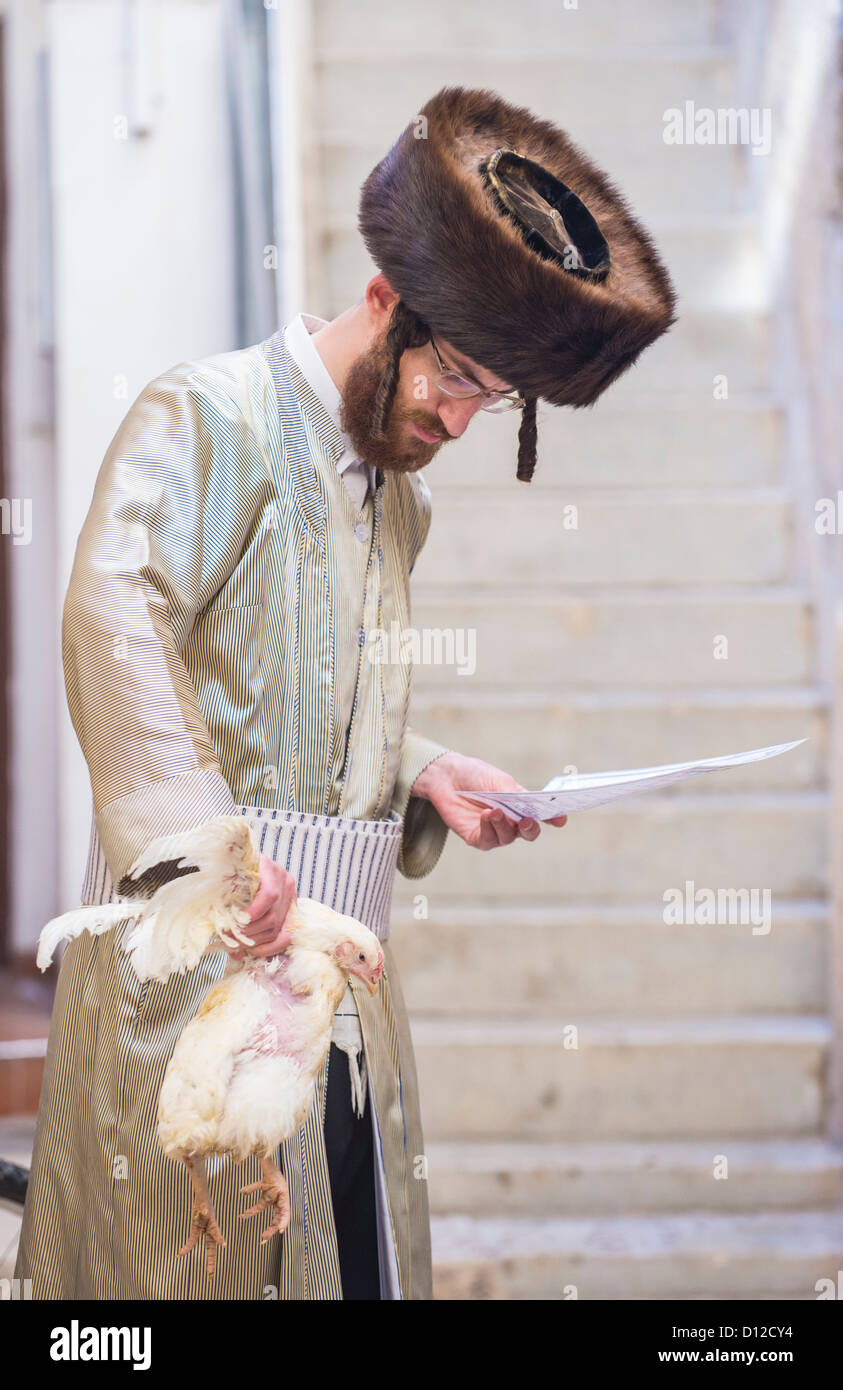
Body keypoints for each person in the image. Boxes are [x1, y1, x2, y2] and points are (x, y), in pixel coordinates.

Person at [16, 85, 674, 1300]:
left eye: (498, 401)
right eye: (461, 378)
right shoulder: (206, 417)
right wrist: (213, 852)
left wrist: (422, 766)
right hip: (196, 992)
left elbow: (295, 684)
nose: (464, 422)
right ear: (385, 303)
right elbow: (114, 612)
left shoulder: (396, 489)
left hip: (340, 994)